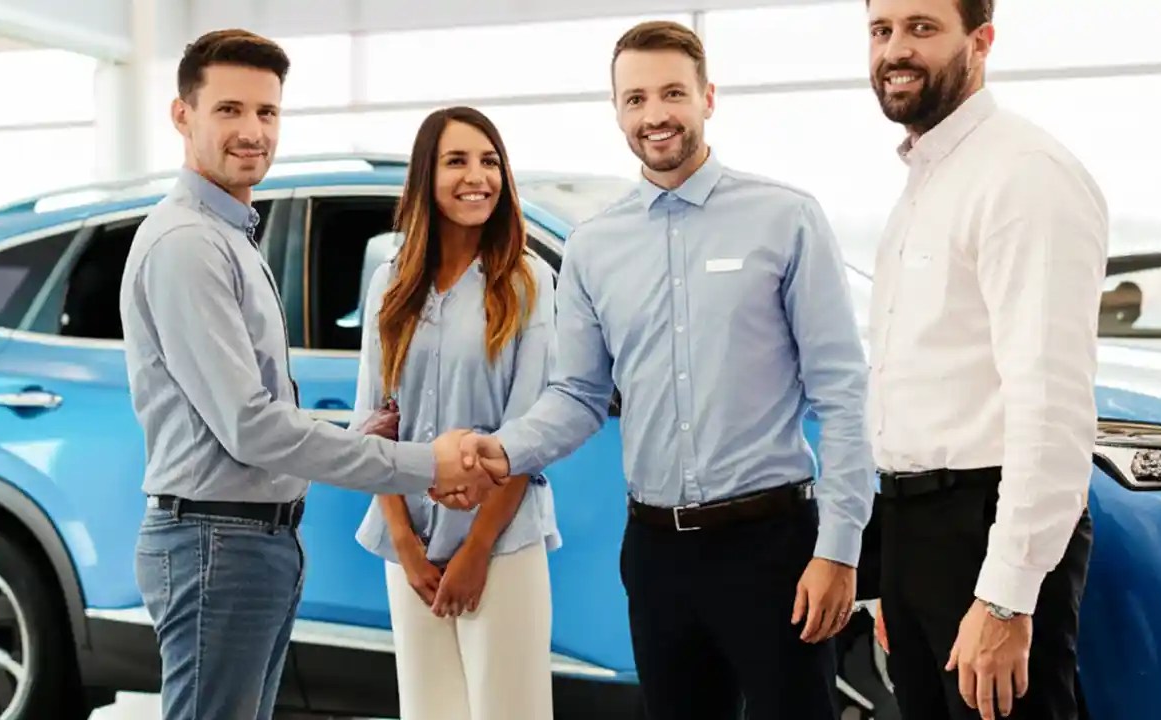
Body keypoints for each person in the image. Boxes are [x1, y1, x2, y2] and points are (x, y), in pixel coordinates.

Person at [459, 20, 875, 720]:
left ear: (708, 97)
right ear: (618, 110)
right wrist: (502, 449)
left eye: (672, 93)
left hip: (771, 547)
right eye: (636, 98)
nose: (655, 115)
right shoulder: (595, 246)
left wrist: (839, 548)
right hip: (656, 555)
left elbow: (843, 391)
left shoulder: (785, 218)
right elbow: (579, 395)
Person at [118, 30, 493, 720]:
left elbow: (248, 409)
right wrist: (417, 461)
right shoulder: (188, 246)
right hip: (217, 546)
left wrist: (354, 435)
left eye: (267, 113)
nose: (253, 131)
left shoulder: (229, 234)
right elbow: (249, 426)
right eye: (230, 110)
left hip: (246, 542)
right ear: (182, 116)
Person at [862, 1, 1108, 719]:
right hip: (918, 536)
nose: (896, 49)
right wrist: (895, 572)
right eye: (882, 31)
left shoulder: (1024, 174)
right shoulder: (928, 181)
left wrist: (1004, 595)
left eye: (922, 27)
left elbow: (1051, 405)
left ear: (982, 40)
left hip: (984, 528)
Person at [350, 105, 560, 720]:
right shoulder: (389, 284)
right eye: (457, 161)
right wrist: (404, 544)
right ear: (425, 176)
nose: (478, 176)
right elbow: (372, 425)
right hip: (409, 546)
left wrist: (475, 550)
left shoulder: (527, 282)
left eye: (490, 161)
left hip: (500, 544)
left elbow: (529, 434)